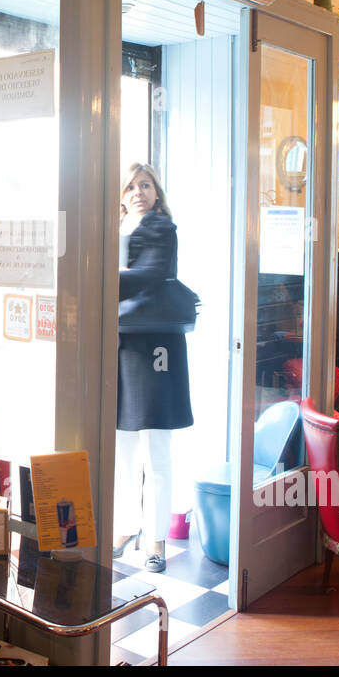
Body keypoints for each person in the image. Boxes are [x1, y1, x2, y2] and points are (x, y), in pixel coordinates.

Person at [114, 163, 193, 572]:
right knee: (123, 445)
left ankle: (156, 540)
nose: (138, 191)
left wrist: (106, 278)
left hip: (155, 345)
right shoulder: (115, 229)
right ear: (122, 194)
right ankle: (128, 527)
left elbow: (152, 273)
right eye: (131, 185)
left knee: (156, 448)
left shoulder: (162, 227)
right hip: (123, 343)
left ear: (157, 192)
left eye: (145, 184)